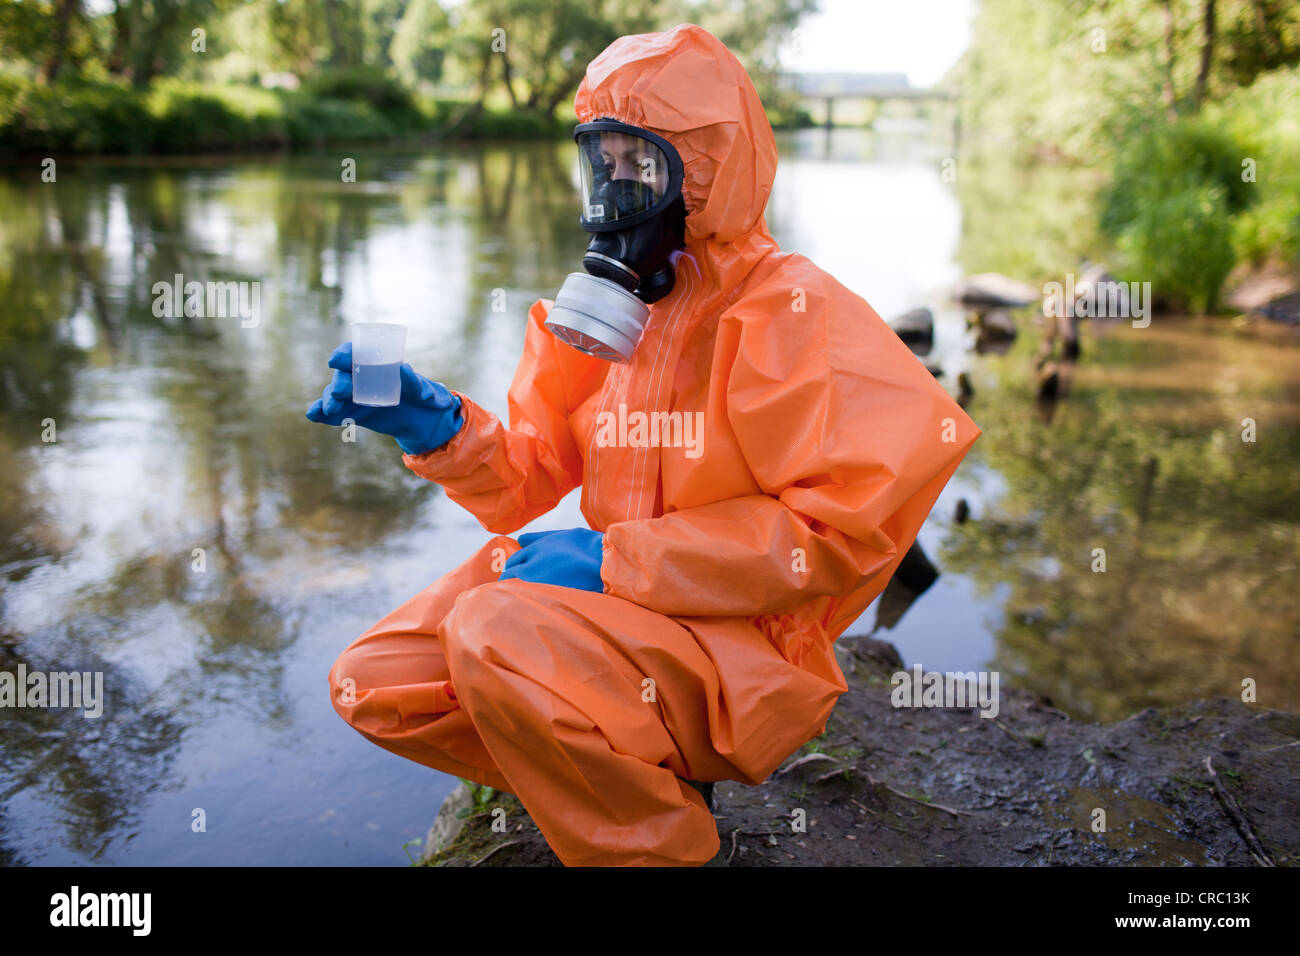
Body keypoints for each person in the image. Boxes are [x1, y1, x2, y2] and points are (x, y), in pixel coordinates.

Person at [305, 23, 979, 867]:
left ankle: (659, 847)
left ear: (705, 168)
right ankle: (610, 762)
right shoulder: (614, 309)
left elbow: (834, 537)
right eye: (604, 162)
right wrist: (434, 424)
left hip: (740, 648)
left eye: (642, 163)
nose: (617, 188)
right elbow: (523, 478)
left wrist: (615, 562)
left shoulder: (792, 312)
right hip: (624, 617)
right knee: (379, 678)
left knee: (492, 624)